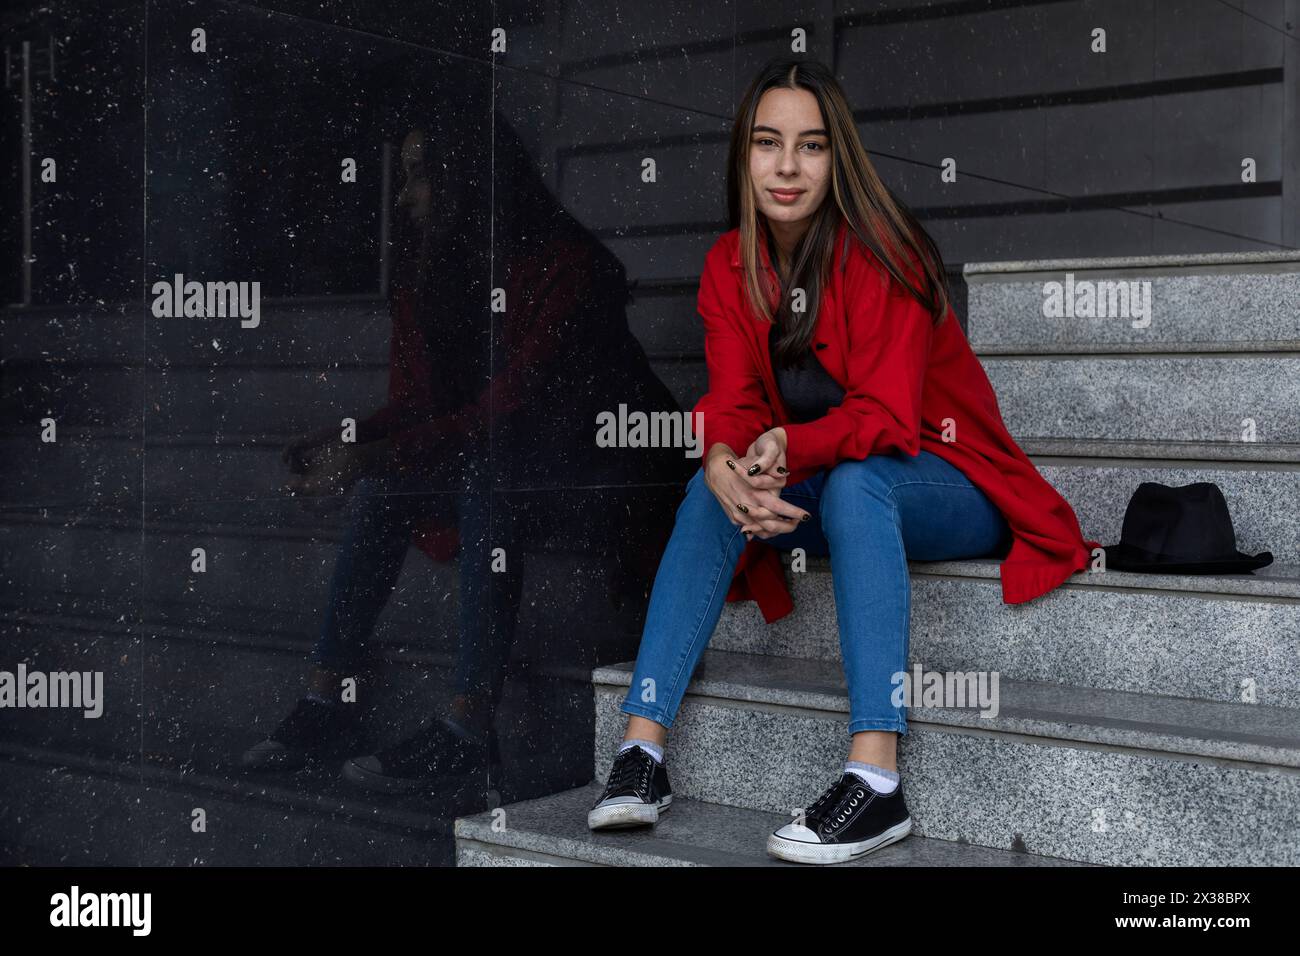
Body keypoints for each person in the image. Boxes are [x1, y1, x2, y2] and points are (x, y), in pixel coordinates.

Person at [587, 57, 1098, 865]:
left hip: (951, 481)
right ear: (742, 155)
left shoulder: (883, 252)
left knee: (860, 482)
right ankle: (643, 751)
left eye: (811, 146)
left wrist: (787, 450)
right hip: (838, 477)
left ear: (839, 158)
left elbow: (889, 421)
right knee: (707, 486)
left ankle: (877, 779)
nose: (787, 167)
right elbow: (736, 395)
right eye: (767, 142)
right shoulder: (731, 264)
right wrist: (728, 455)